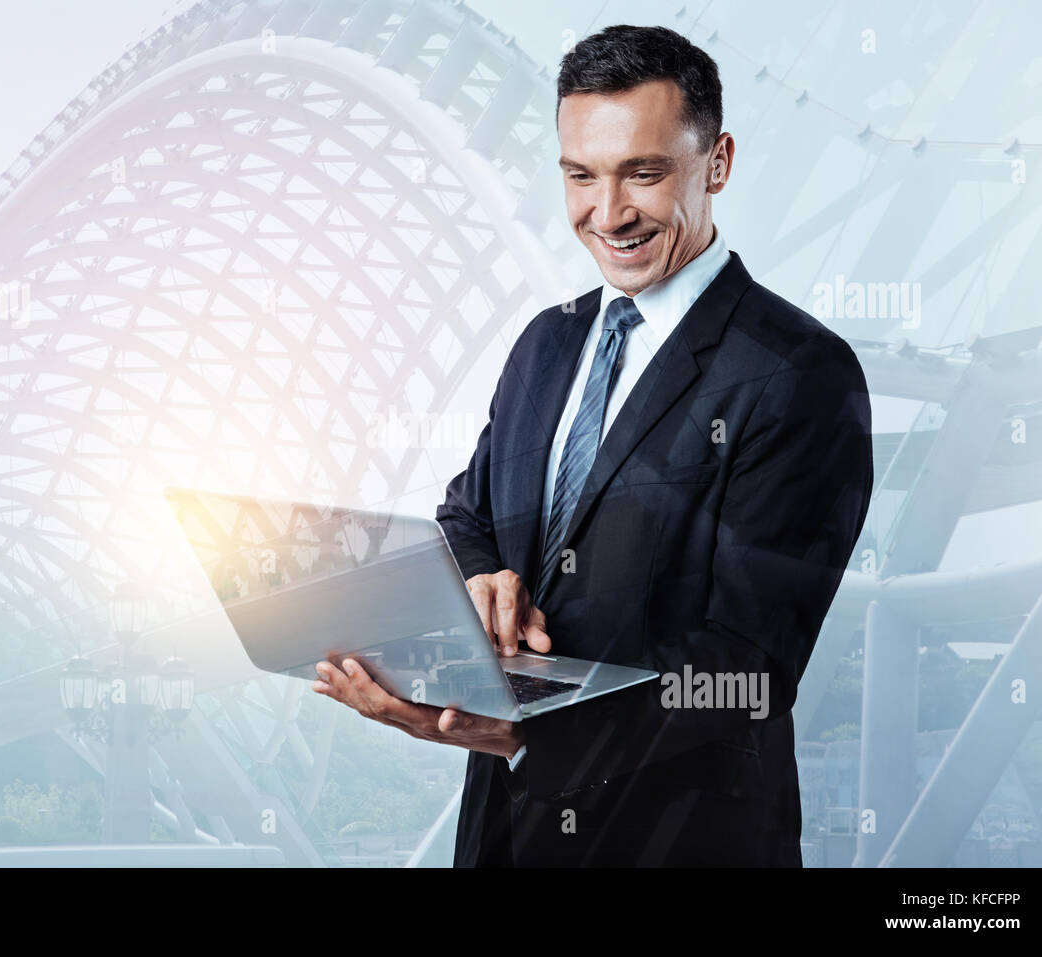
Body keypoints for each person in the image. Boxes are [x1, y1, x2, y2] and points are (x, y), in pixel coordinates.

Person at [311, 24, 873, 866]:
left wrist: (523, 731)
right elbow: (468, 515)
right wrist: (478, 582)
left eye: (643, 174)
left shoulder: (799, 372)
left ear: (716, 163)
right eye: (581, 175)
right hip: (502, 837)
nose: (607, 214)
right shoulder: (547, 343)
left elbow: (745, 671)